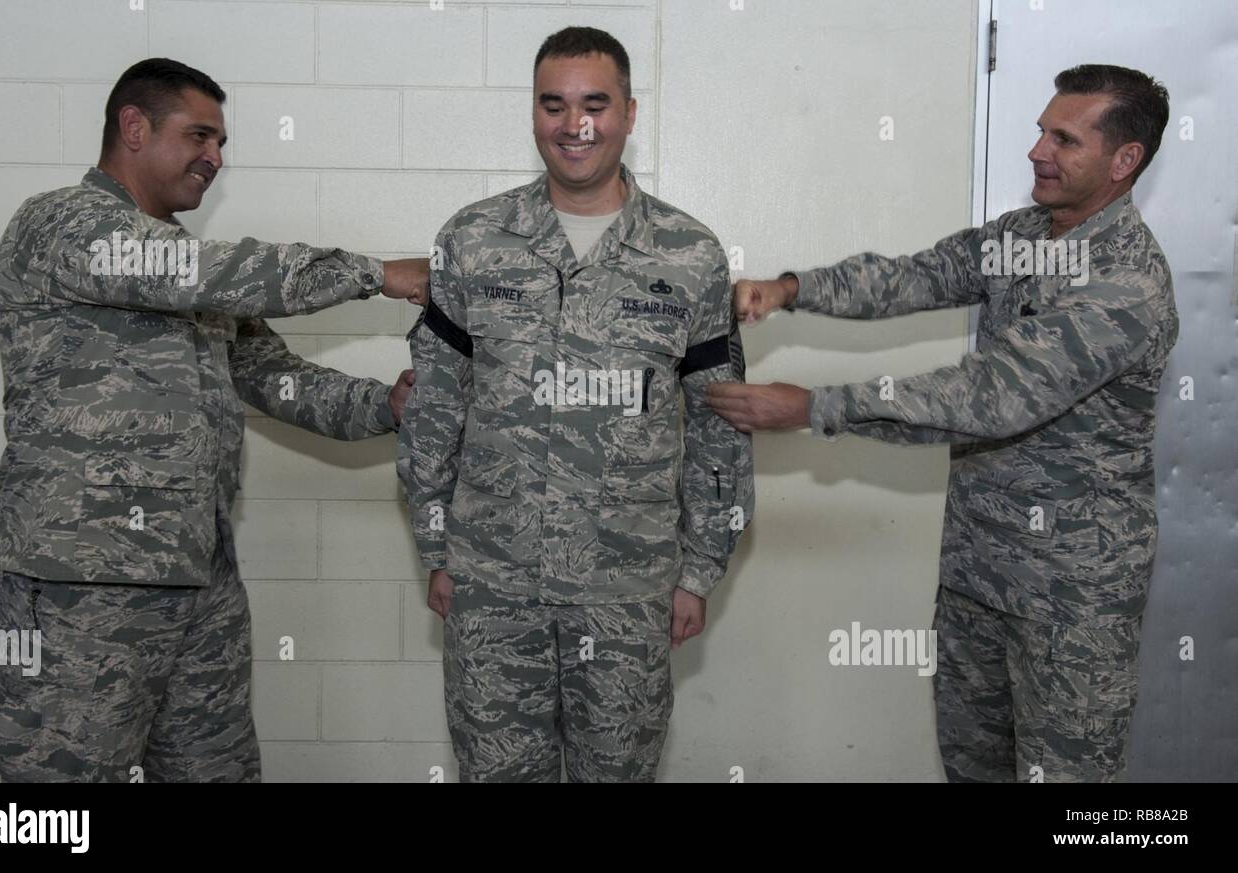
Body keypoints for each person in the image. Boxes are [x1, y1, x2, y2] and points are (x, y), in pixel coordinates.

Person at [715, 64, 1176, 782]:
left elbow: (990, 394)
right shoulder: (1022, 237)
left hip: (1070, 601)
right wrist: (793, 289)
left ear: (1125, 161)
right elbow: (918, 275)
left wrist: (814, 407)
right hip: (976, 571)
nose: (1037, 151)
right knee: (974, 767)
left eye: (1064, 139)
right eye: (1039, 131)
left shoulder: (1127, 283)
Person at [0, 57, 428, 782]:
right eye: (199, 135)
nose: (215, 159)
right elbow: (200, 271)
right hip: (80, 584)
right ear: (134, 126)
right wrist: (377, 272)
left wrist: (387, 405)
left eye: (220, 143)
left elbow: (275, 378)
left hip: (197, 578)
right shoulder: (61, 223)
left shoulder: (190, 272)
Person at [398, 28, 753, 782]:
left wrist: (697, 572)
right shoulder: (471, 241)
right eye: (554, 105)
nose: (575, 124)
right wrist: (436, 548)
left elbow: (721, 427)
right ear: (533, 114)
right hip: (494, 586)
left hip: (627, 591)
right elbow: (434, 407)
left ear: (628, 112)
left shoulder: (690, 255)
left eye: (595, 104)